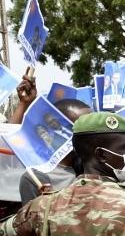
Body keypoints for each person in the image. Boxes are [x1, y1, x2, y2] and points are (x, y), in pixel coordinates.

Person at [12, 74, 91, 202]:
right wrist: (23, 104)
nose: (92, 134)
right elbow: (12, 141)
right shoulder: (36, 179)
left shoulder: (90, 167)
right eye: (84, 127)